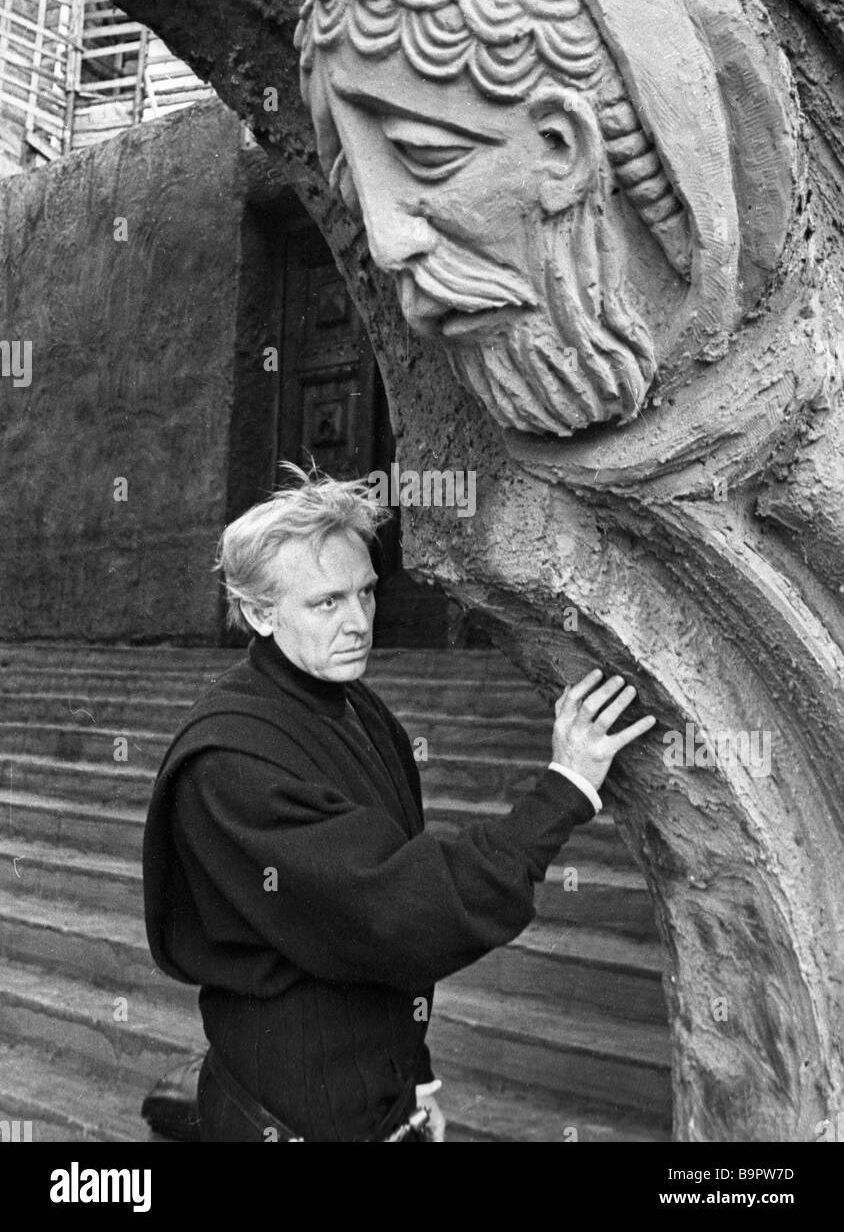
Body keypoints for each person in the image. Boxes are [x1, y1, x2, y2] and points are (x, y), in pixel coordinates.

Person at [142, 463, 655, 1142]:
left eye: (366, 593)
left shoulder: (357, 706)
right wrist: (566, 788)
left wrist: (413, 1077)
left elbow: (378, 942)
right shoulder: (232, 762)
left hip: (377, 1101)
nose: (357, 622)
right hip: (288, 1119)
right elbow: (406, 909)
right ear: (262, 613)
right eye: (326, 603)